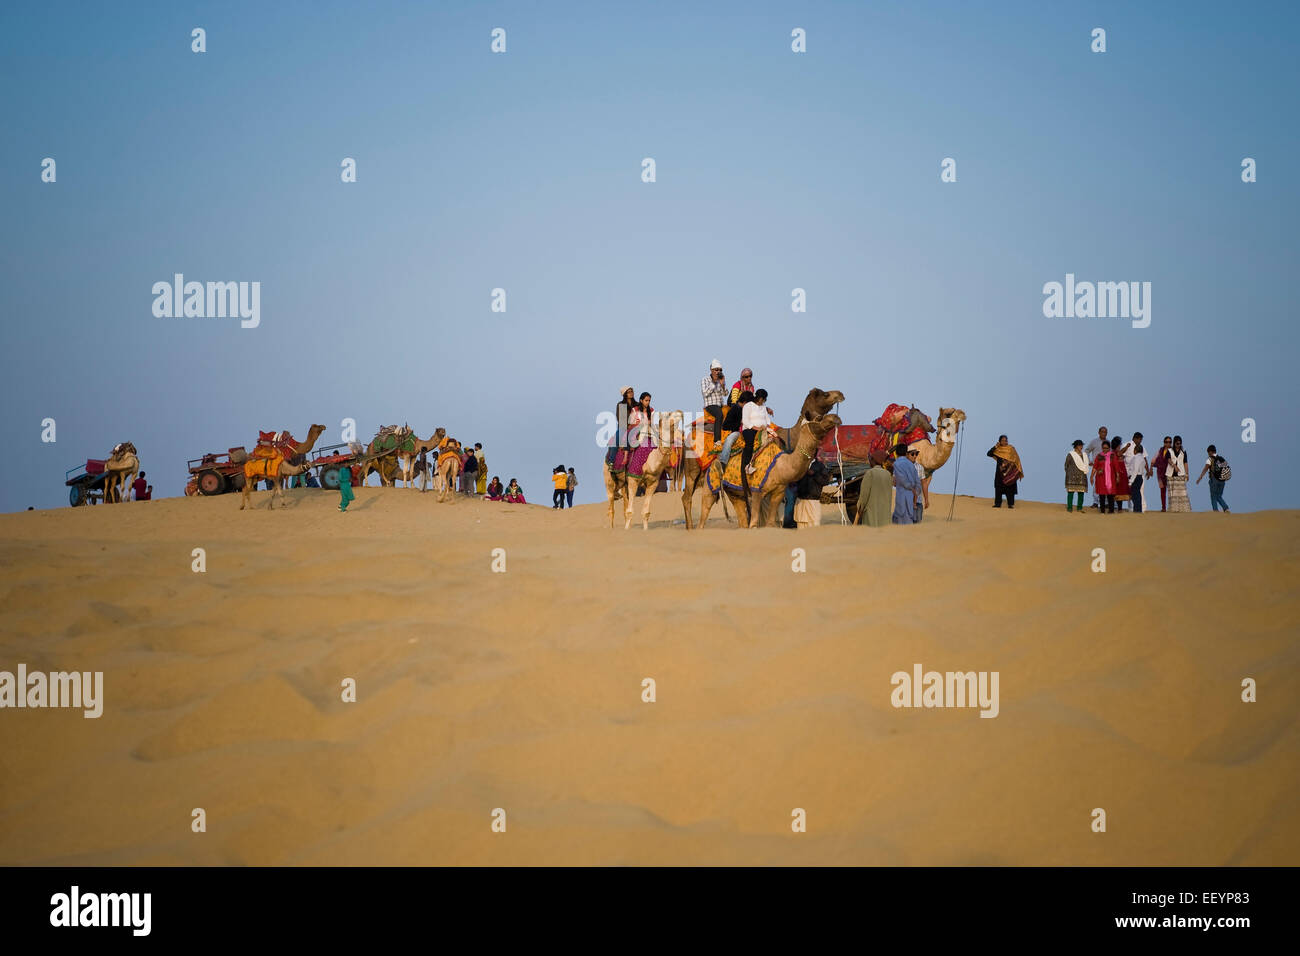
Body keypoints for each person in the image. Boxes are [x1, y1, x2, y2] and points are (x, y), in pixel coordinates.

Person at [854, 450, 894, 527]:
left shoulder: (870, 473)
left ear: (874, 461)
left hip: (871, 516)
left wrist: (859, 509)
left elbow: (863, 498)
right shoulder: (888, 475)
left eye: (870, 459)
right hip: (885, 517)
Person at [793, 458, 832, 528]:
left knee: (813, 527)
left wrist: (814, 474)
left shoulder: (820, 465)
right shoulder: (800, 464)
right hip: (800, 501)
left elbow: (825, 481)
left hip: (813, 502)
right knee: (801, 527)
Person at [605, 387, 637, 470]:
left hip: (637, 427)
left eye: (632, 391)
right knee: (615, 441)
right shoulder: (621, 405)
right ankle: (611, 462)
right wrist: (629, 425)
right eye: (629, 392)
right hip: (624, 427)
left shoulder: (637, 405)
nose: (631, 393)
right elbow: (621, 419)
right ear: (625, 394)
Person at [987, 435, 1023, 508]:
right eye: (1003, 440)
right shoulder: (998, 450)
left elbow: (1016, 460)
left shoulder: (1011, 449)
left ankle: (1010, 504)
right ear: (999, 441)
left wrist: (1016, 470)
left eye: (1006, 440)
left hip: (1009, 472)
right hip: (1000, 472)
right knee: (998, 487)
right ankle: (997, 504)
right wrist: (995, 446)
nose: (1004, 442)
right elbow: (989, 454)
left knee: (1010, 488)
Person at [717, 391, 752, 467]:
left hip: (750, 430)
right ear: (745, 402)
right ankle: (723, 462)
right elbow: (725, 426)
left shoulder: (747, 410)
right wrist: (740, 423)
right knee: (730, 439)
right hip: (738, 432)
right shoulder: (734, 410)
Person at [892, 445, 922, 524]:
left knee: (900, 521)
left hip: (901, 497)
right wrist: (915, 495)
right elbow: (918, 483)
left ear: (896, 453)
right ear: (906, 453)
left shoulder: (896, 464)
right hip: (911, 498)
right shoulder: (912, 465)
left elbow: (898, 481)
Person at [1196, 444, 1230, 513]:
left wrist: (1200, 477)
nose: (1208, 454)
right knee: (1219, 496)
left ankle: (1215, 511)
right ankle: (1226, 508)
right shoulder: (1221, 459)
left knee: (1213, 496)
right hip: (1222, 480)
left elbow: (1206, 468)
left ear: (1211, 452)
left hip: (1214, 480)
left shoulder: (1210, 459)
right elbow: (1226, 468)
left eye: (1208, 452)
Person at [1091, 439, 1122, 514]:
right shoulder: (1099, 456)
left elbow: (1116, 467)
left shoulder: (1112, 455)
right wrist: (1091, 476)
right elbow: (1095, 467)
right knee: (1101, 495)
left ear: (1109, 448)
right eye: (1104, 448)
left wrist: (1117, 476)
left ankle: (1111, 511)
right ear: (1102, 448)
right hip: (1101, 478)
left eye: (1107, 448)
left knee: (1110, 495)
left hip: (1111, 478)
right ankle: (1102, 511)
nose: (1105, 449)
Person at [1122, 432, 1151, 513]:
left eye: (1141, 440)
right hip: (1129, 472)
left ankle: (1140, 509)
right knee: (1133, 493)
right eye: (1139, 439)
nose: (1140, 441)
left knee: (1138, 492)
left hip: (1136, 475)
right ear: (1135, 438)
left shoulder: (1139, 453)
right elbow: (1121, 456)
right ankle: (1133, 509)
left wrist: (1148, 471)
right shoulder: (1127, 445)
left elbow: (1144, 460)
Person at [700, 360, 728, 443]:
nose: (718, 372)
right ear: (711, 370)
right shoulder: (705, 380)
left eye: (720, 370)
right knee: (719, 414)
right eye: (716, 370)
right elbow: (705, 393)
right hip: (710, 405)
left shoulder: (720, 380)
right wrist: (714, 382)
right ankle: (717, 440)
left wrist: (722, 384)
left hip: (720, 405)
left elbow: (725, 394)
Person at [1084, 427, 1109, 508]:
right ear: (1099, 432)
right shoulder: (1094, 442)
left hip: (1107, 467)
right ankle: (1095, 502)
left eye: (1105, 432)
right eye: (1102, 432)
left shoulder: (1108, 442)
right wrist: (1089, 461)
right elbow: (1086, 450)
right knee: (1097, 485)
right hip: (1097, 466)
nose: (1104, 433)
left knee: (1106, 484)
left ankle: (1105, 503)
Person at [1166, 435, 1191, 512]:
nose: (1178, 445)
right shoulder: (1169, 451)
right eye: (1177, 443)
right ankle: (1173, 509)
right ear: (1174, 443)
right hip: (1171, 474)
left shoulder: (1183, 452)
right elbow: (1169, 460)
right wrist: (1174, 466)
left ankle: (1183, 509)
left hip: (1181, 474)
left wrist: (1187, 473)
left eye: (1180, 443)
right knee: (1172, 493)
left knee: (1182, 492)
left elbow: (1185, 463)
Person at [1065, 439, 1089, 513]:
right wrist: (1069, 472)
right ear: (1075, 446)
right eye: (1079, 445)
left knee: (1081, 493)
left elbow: (1086, 465)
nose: (1081, 447)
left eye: (1082, 445)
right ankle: (1069, 508)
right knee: (1071, 492)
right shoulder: (1071, 454)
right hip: (1072, 476)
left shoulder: (1084, 455)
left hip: (1082, 476)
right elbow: (1066, 465)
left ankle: (1079, 508)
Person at [1109, 436, 1131, 512]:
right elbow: (1120, 453)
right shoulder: (1115, 452)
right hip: (1119, 473)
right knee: (1118, 490)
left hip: (1122, 473)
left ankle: (1119, 508)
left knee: (1120, 491)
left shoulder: (1115, 452)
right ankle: (1119, 508)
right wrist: (1127, 447)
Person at [1152, 437, 1173, 511]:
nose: (1168, 443)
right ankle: (1163, 507)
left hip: (1170, 473)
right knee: (1162, 491)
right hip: (1160, 473)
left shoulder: (1173, 451)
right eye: (1166, 442)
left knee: (1172, 491)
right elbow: (1153, 459)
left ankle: (1172, 507)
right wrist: (1151, 468)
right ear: (1164, 442)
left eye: (1170, 442)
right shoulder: (1160, 450)